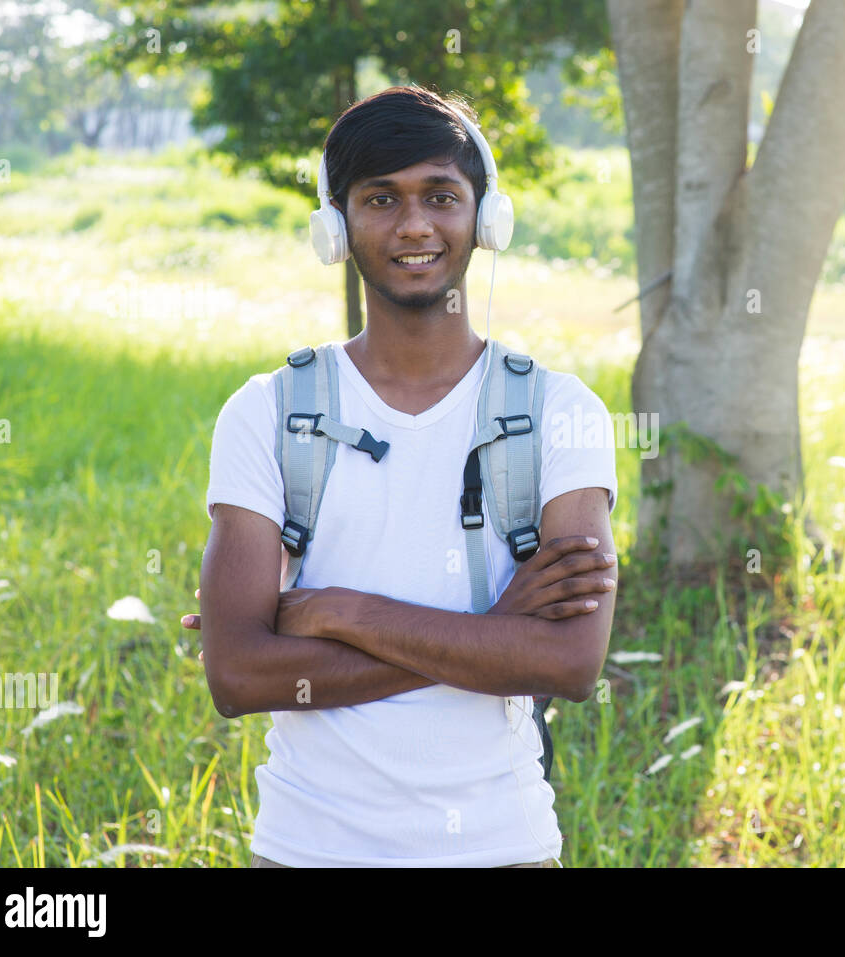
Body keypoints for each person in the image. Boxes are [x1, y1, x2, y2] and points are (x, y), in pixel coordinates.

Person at [182, 86, 619, 867]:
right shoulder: (267, 411)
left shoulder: (562, 411)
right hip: (307, 850)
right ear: (335, 225)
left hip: (504, 846)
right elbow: (239, 674)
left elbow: (568, 663)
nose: (414, 225)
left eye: (441, 196)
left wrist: (334, 610)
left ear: (485, 219)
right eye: (380, 198)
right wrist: (491, 635)